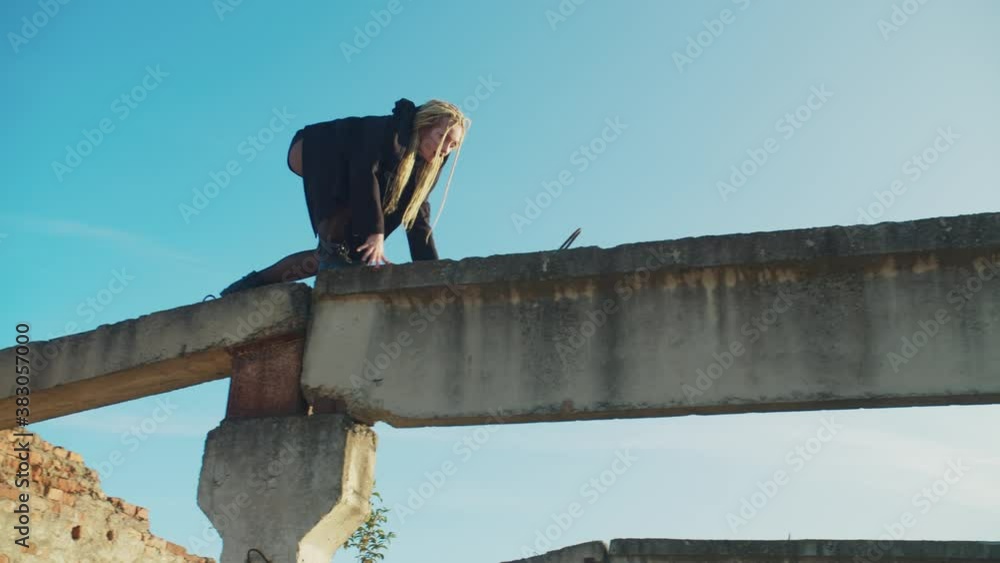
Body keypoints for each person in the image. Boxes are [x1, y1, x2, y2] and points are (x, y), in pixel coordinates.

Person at [219, 98, 468, 296]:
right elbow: (362, 171)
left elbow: (417, 218)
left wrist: (433, 273)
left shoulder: (423, 168)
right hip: (315, 147)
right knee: (339, 247)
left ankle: (247, 286)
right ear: (425, 124)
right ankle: (333, 259)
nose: (445, 149)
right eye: (443, 137)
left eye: (453, 145)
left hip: (346, 169)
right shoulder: (396, 133)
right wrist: (375, 232)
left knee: (345, 254)